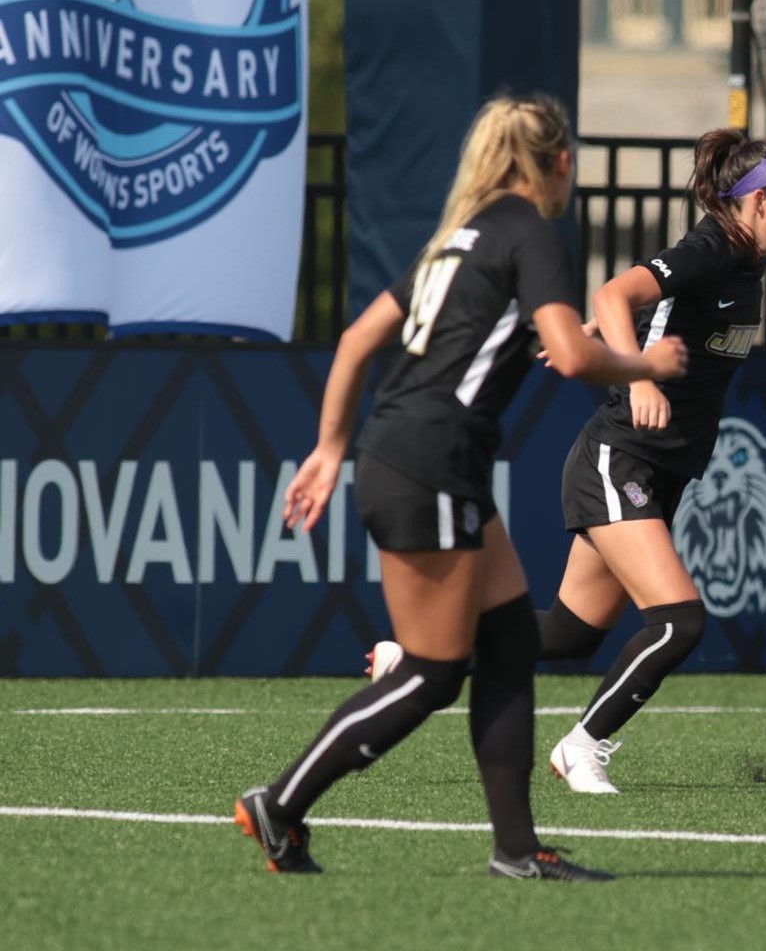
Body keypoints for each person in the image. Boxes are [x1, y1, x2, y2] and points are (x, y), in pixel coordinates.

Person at [234, 94, 687, 880]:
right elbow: (575, 359)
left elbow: (355, 340)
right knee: (431, 671)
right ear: (557, 162)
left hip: (424, 458)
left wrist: (332, 446)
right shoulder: (528, 232)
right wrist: (648, 363)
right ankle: (281, 803)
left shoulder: (460, 239)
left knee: (510, 644)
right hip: (431, 462)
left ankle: (517, 850)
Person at [374, 131, 766, 793]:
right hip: (621, 457)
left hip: (661, 468)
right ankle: (584, 746)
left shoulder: (746, 262)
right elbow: (612, 295)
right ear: (755, 202)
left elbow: (657, 321)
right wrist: (637, 378)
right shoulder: (707, 250)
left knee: (569, 633)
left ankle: (413, 656)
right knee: (679, 621)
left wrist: (599, 341)